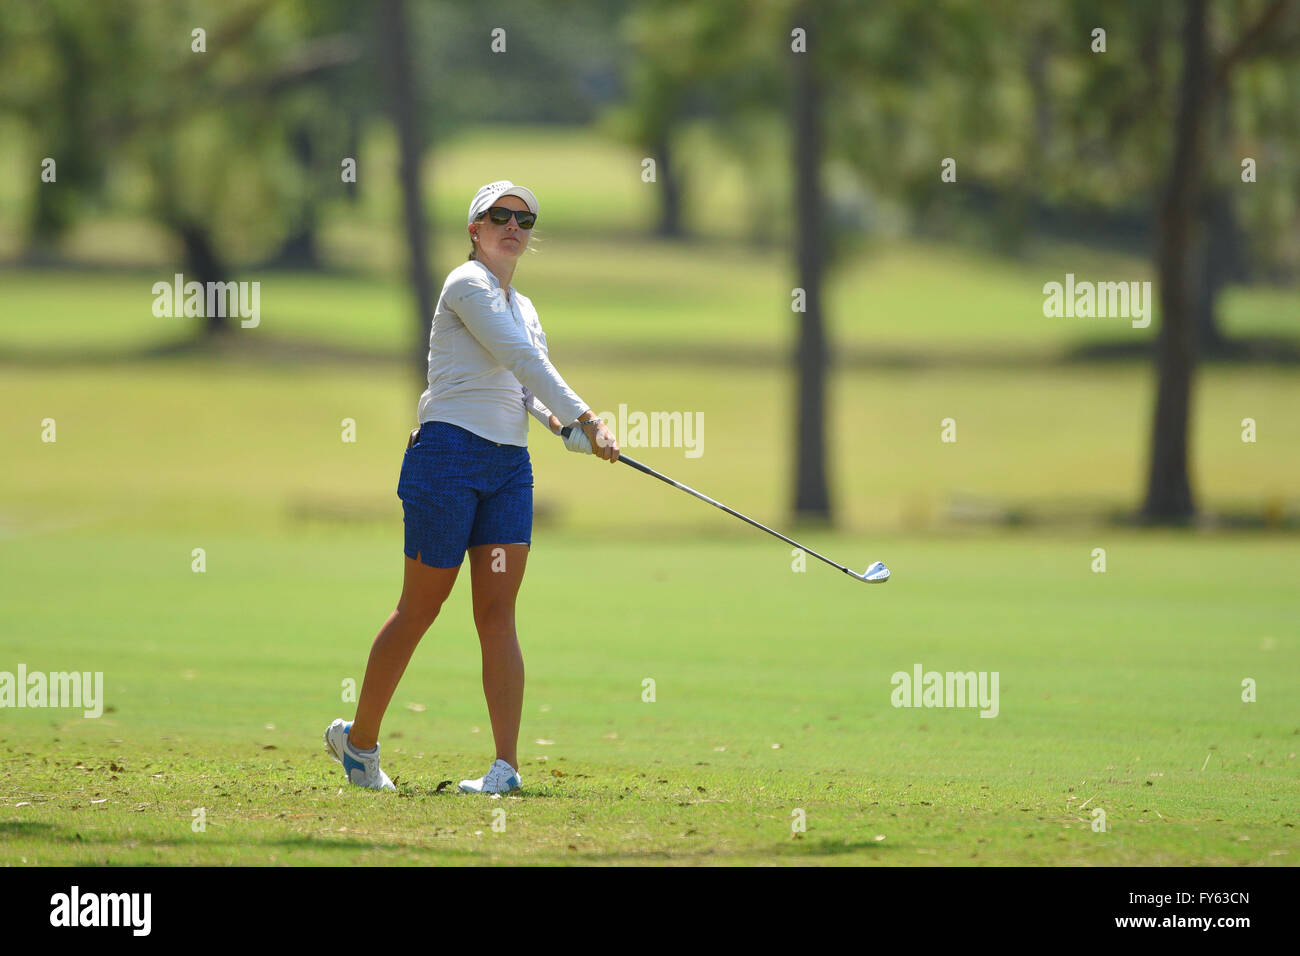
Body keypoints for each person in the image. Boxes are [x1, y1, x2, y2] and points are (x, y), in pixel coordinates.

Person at [324, 180, 619, 794]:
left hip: (509, 469)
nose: (514, 226)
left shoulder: (526, 305)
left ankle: (505, 768)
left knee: (497, 612)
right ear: (475, 229)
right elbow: (520, 359)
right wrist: (588, 417)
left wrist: (564, 429)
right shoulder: (466, 286)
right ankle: (359, 746)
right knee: (421, 609)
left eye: (525, 219)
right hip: (447, 459)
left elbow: (527, 389)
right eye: (500, 216)